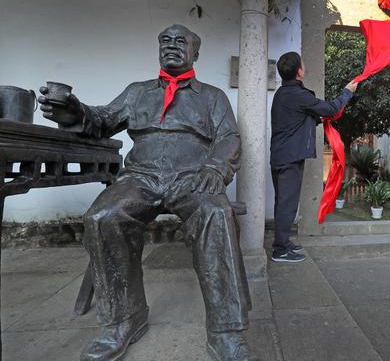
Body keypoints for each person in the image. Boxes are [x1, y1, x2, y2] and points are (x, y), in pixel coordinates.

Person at [38, 25, 258, 361]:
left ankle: (225, 331)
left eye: (180, 41)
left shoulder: (213, 96)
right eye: (165, 40)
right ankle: (124, 320)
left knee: (217, 214)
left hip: (191, 176)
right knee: (102, 216)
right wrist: (75, 111)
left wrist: (215, 168)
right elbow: (101, 120)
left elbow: (230, 137)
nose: (171, 45)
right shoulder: (137, 92)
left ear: (195, 53)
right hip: (140, 176)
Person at [270, 51, 358, 262]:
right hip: (289, 158)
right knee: (287, 204)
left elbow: (297, 119)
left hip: (282, 155)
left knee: (283, 202)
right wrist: (347, 92)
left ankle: (283, 241)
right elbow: (331, 108)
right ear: (299, 71)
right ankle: (280, 250)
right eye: (303, 63)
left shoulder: (283, 94)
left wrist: (316, 119)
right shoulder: (299, 95)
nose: (305, 66)